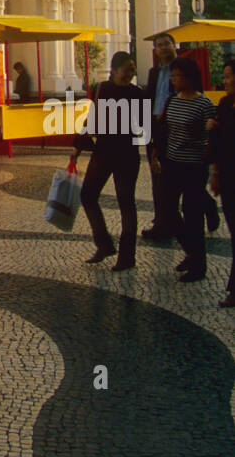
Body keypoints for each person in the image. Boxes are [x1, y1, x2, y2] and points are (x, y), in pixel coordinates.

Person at [69, 51, 142, 272]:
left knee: (126, 203)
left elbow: (143, 126)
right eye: (126, 69)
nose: (130, 73)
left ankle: (127, 256)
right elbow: (92, 117)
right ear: (114, 69)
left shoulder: (138, 93)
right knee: (88, 195)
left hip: (127, 153)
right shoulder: (103, 88)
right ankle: (104, 244)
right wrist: (78, 145)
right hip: (104, 151)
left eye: (132, 69)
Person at [142, 33, 219, 240]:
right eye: (159, 45)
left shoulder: (184, 67)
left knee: (184, 181)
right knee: (160, 180)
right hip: (158, 128)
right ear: (155, 50)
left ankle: (207, 207)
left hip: (182, 130)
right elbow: (150, 98)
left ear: (174, 45)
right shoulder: (153, 72)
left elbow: (198, 95)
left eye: (167, 44)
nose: (163, 48)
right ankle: (161, 223)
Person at [153, 56, 216, 283]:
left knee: (193, 215)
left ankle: (198, 265)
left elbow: (212, 137)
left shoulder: (204, 104)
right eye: (173, 76)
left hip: (194, 166)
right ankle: (191, 250)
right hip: (172, 163)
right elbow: (163, 128)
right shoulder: (171, 101)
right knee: (168, 211)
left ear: (189, 78)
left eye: (178, 76)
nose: (174, 80)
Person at [206, 59, 235, 307]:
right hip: (228, 175)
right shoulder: (225, 104)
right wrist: (215, 173)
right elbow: (217, 141)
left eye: (228, 76)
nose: (224, 81)